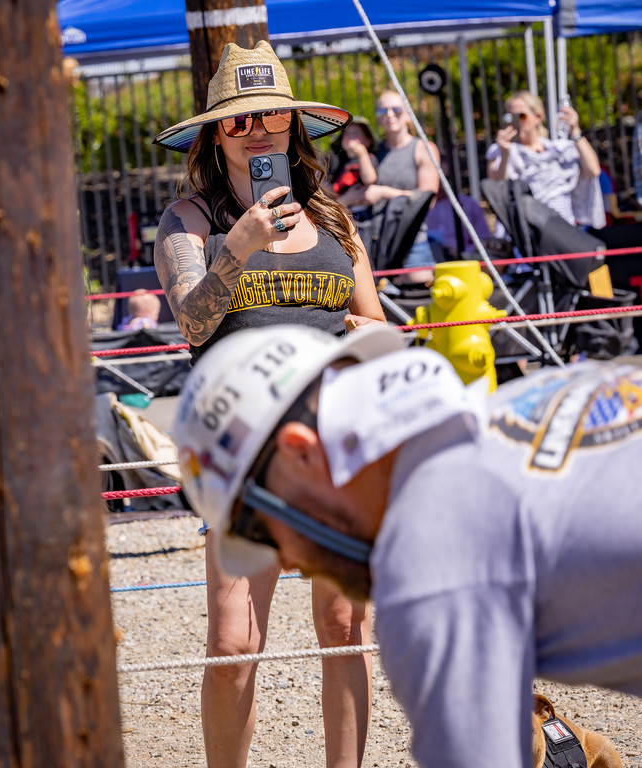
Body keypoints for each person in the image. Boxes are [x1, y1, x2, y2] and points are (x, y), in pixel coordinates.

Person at [174, 322, 642, 768]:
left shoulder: (431, 578)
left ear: (301, 451)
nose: (288, 562)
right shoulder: (508, 413)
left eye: (261, 530)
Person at [152, 40, 386, 768]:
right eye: (238, 120)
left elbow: (376, 324)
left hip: (334, 446)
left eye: (272, 116)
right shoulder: (189, 220)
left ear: (294, 124)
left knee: (345, 631)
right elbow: (192, 323)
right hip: (241, 453)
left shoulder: (334, 217)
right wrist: (240, 246)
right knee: (232, 644)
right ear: (214, 134)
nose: (256, 131)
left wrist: (367, 334)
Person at [340, 90, 440, 280]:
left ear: (408, 115)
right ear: (378, 119)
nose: (390, 115)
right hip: (375, 242)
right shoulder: (371, 151)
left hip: (411, 241)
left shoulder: (423, 148)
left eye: (396, 110)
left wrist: (384, 192)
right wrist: (348, 199)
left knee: (417, 291)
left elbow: (428, 200)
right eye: (382, 111)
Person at [486, 90, 605, 229]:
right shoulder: (500, 150)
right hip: (528, 231)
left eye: (521, 116)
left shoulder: (558, 149)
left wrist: (575, 131)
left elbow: (593, 171)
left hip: (564, 229)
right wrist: (505, 155)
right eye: (510, 117)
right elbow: (497, 188)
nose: (516, 122)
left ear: (538, 117)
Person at [424, 155, 492, 259]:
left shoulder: (468, 204)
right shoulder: (420, 207)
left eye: (446, 178)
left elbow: (484, 240)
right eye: (437, 178)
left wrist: (462, 252)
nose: (441, 183)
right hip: (427, 263)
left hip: (464, 262)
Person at [326, 116, 379, 223]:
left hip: (362, 212)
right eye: (346, 133)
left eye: (355, 133)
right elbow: (333, 186)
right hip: (344, 210)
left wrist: (362, 154)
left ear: (367, 142)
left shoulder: (368, 158)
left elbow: (369, 179)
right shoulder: (338, 162)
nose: (350, 136)